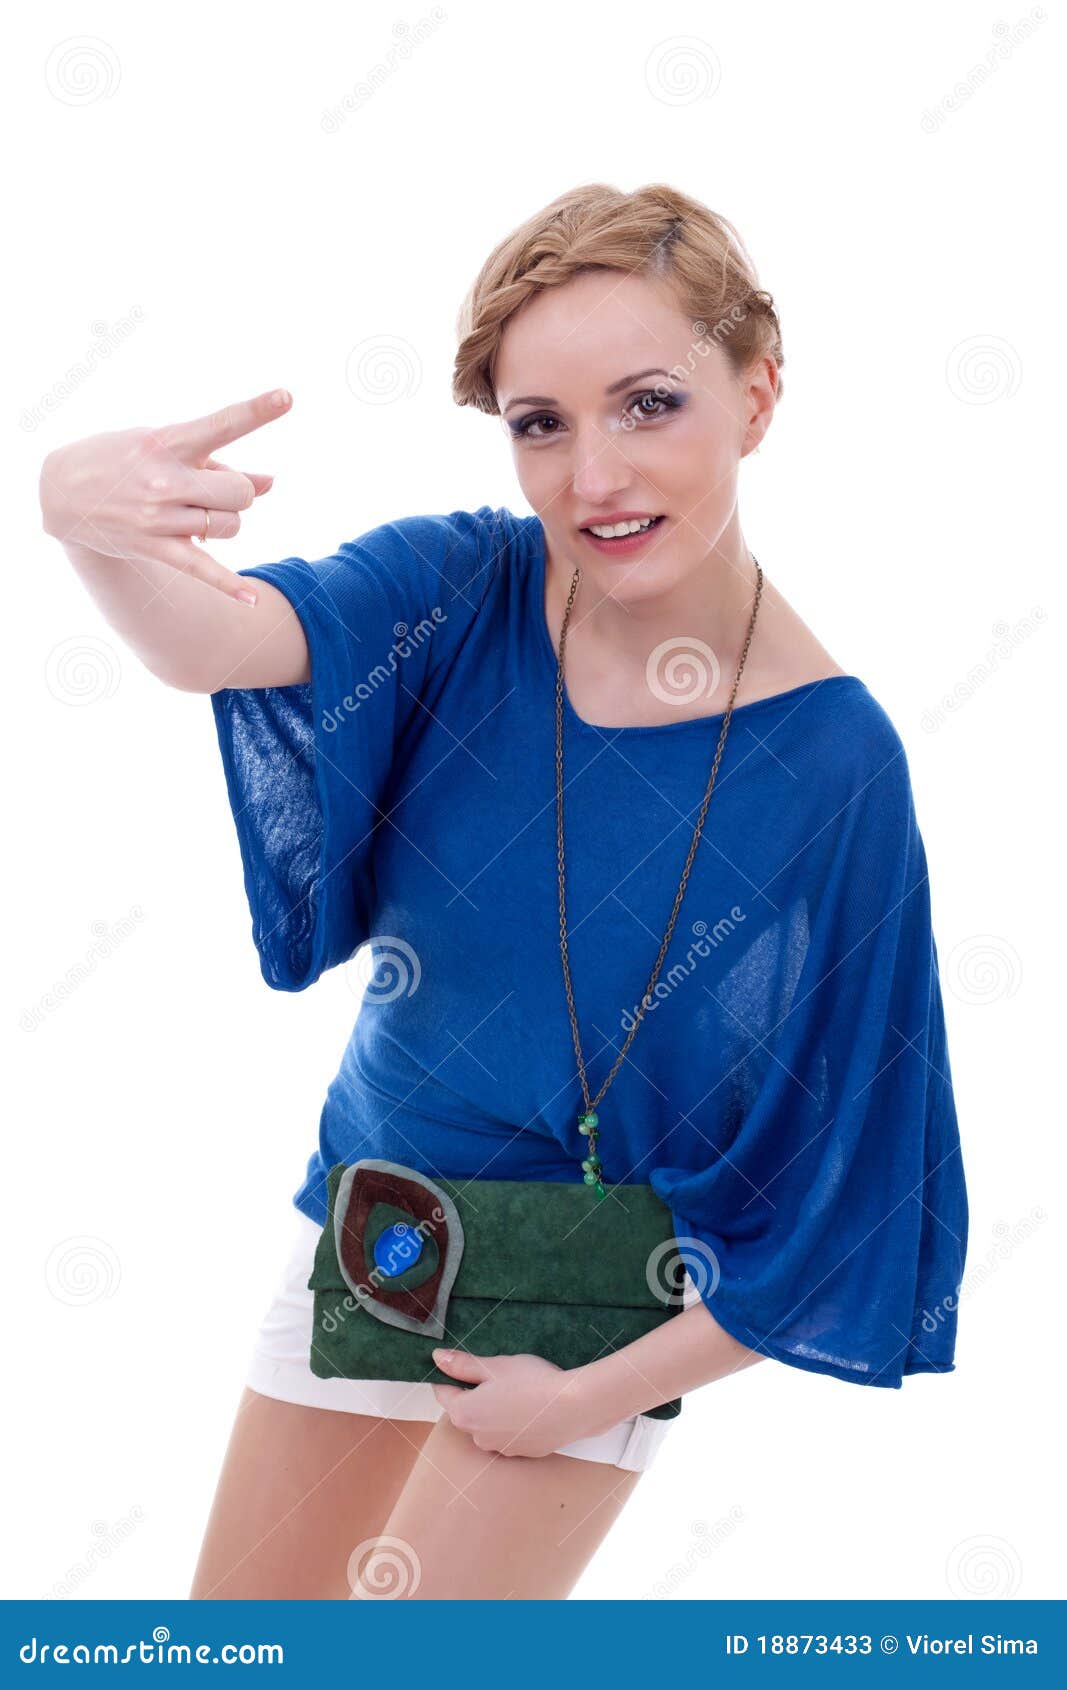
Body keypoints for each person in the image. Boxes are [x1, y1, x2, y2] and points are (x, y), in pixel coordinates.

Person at [38, 181, 968, 1601]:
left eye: (647, 404)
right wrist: (83, 518)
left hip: (588, 1316)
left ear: (760, 393)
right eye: (543, 423)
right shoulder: (463, 590)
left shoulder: (836, 767)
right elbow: (214, 642)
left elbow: (840, 1202)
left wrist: (587, 1392)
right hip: (371, 1233)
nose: (592, 476)